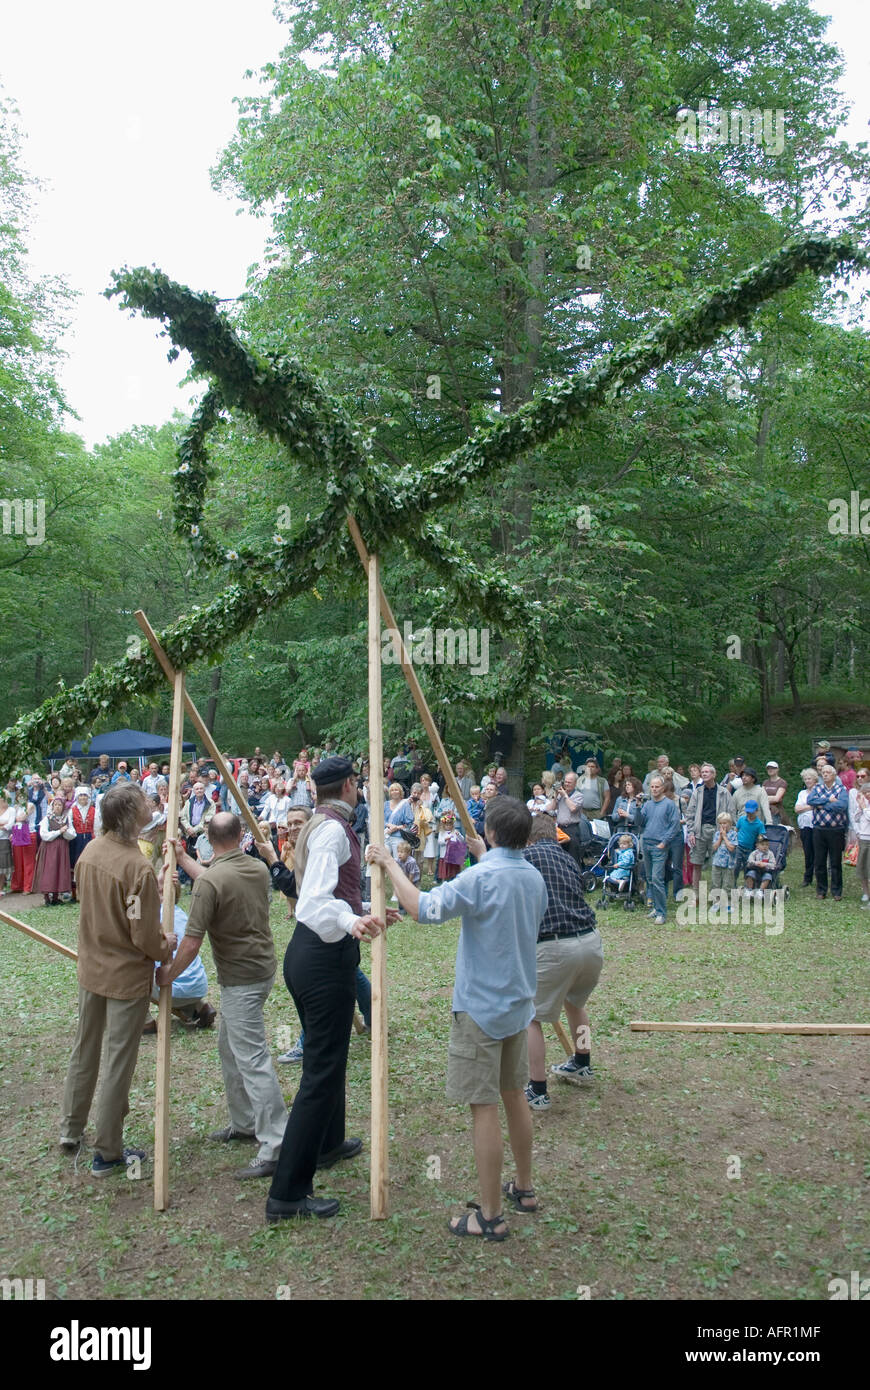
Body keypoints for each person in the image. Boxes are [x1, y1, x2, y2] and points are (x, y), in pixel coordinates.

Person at [368, 795, 547, 1241]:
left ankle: (489, 1215)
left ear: (489, 833)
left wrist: (390, 864)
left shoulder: (481, 877)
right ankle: (523, 1188)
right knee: (513, 1094)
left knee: (484, 1105)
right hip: (517, 1006)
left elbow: (423, 908)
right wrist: (486, 856)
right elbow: (498, 883)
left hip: (480, 1010)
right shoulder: (532, 876)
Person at [265, 757, 392, 1223]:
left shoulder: (323, 824)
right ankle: (287, 1194)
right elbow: (316, 901)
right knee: (320, 1071)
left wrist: (365, 910)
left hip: (315, 955)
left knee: (331, 1056)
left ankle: (329, 1143)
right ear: (349, 785)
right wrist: (351, 918)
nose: (361, 789)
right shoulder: (333, 831)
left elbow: (336, 893)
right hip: (319, 957)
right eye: (359, 783)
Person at [159, 813, 289, 1178]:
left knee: (252, 1058)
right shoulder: (256, 869)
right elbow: (217, 881)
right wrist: (183, 859)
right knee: (229, 1048)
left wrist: (168, 973)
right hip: (260, 971)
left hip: (241, 980)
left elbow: (191, 942)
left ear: (208, 841)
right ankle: (246, 1122)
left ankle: (276, 1143)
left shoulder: (211, 883)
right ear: (240, 835)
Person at [60, 783, 176, 1175]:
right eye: (144, 802)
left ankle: (70, 1128)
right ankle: (107, 1152)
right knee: (117, 1063)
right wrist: (165, 943)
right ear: (129, 815)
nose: (150, 805)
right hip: (124, 976)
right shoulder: (136, 866)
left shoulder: (91, 852)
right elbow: (141, 933)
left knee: (85, 1048)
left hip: (92, 968)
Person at [521, 814, 602, 1110]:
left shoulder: (525, 856)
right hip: (590, 942)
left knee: (530, 1017)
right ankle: (582, 1061)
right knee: (575, 1003)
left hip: (557, 946)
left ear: (527, 838)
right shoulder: (568, 858)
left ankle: (537, 1088)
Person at [634, 775, 680, 925]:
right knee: (649, 878)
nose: (654, 789)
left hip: (659, 846)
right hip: (646, 843)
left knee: (657, 878)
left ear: (663, 788)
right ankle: (655, 907)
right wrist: (638, 807)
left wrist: (664, 842)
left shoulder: (669, 805)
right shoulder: (647, 804)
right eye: (652, 787)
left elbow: (675, 826)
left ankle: (661, 912)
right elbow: (639, 822)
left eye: (657, 787)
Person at [685, 763, 736, 894]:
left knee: (718, 864)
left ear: (714, 774)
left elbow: (731, 814)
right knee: (696, 863)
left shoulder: (724, 793)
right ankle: (696, 895)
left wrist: (729, 832)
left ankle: (717, 894)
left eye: (707, 772)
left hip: (719, 831)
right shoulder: (697, 792)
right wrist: (691, 831)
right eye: (703, 772)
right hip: (700, 831)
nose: (704, 774)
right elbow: (690, 813)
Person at [807, 761, 849, 901]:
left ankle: (837, 891)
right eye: (823, 773)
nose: (825, 775)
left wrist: (822, 806)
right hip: (819, 830)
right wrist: (828, 800)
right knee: (819, 861)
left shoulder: (841, 789)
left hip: (836, 830)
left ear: (834, 775)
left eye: (828, 773)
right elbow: (811, 801)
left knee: (835, 861)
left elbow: (842, 806)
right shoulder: (817, 788)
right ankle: (821, 890)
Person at [34, 795, 75, 905]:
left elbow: (72, 834)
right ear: (52, 806)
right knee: (49, 870)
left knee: (59, 870)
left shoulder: (66, 819)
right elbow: (44, 835)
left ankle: (56, 897)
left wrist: (64, 832)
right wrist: (58, 832)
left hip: (62, 848)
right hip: (49, 848)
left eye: (60, 805)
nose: (57, 807)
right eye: (55, 805)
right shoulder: (47, 818)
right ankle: (47, 896)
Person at [554, 771, 588, 869]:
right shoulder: (560, 795)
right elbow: (550, 808)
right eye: (565, 782)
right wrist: (556, 795)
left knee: (573, 857)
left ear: (575, 783)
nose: (566, 784)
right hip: (560, 829)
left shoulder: (579, 796)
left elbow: (573, 809)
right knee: (560, 856)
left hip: (572, 828)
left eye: (569, 782)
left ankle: (577, 879)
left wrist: (565, 796)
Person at [68, 785, 96, 900]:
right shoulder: (72, 810)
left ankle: (89, 890)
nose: (83, 798)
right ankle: (75, 892)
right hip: (76, 839)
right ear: (77, 797)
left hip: (89, 838)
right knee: (75, 863)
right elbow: (70, 824)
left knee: (89, 863)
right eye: (81, 796)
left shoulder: (94, 810)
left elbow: (97, 825)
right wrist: (73, 834)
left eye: (85, 795)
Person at [848, 768, 870, 906]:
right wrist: (860, 807)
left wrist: (865, 808)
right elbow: (856, 819)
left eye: (868, 792)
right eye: (864, 793)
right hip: (862, 839)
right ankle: (866, 894)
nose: (866, 795)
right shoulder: (863, 805)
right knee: (862, 870)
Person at [794, 769, 819, 887]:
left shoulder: (819, 791)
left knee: (818, 852)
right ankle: (808, 877)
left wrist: (804, 807)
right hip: (804, 826)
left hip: (817, 825)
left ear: (815, 779)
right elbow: (796, 809)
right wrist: (810, 807)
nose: (807, 781)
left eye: (810, 778)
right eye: (806, 778)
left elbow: (818, 805)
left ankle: (819, 876)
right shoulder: (802, 793)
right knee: (808, 852)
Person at [710, 813, 738, 913]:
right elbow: (714, 847)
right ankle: (716, 902)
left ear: (730, 823)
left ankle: (728, 903)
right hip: (717, 862)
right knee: (716, 883)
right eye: (720, 823)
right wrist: (720, 838)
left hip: (728, 864)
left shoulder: (733, 834)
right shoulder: (717, 834)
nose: (722, 825)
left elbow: (731, 848)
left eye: (725, 823)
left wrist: (725, 837)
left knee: (727, 884)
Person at [0, 796, 15, 895]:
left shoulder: (11, 810)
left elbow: (9, 825)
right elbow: (5, 825)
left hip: (4, 840)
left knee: (2, 866)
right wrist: (2, 824)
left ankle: (0, 888)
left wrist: (4, 825)